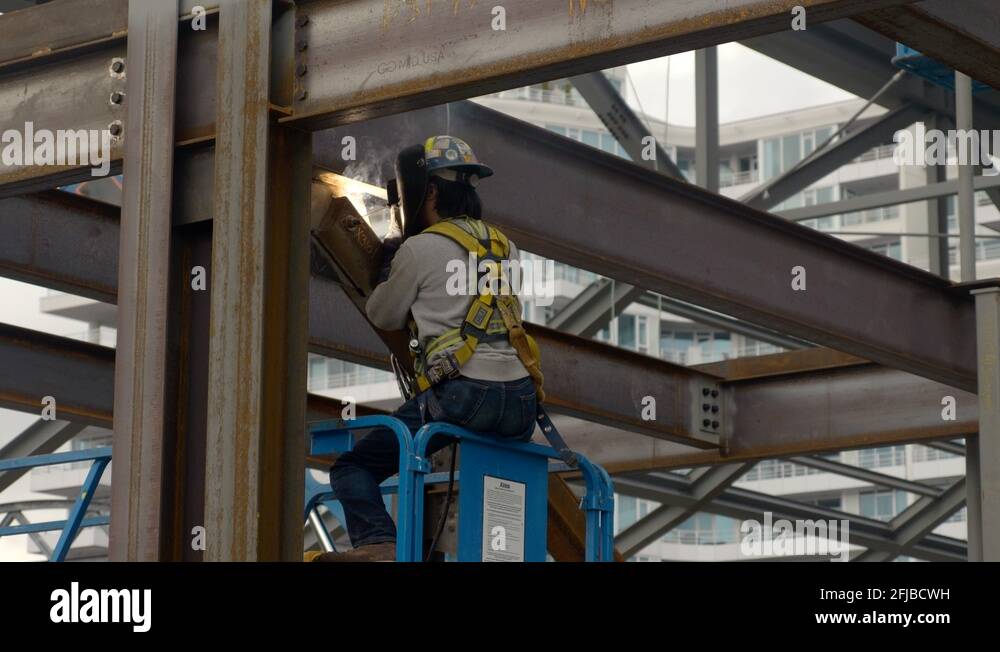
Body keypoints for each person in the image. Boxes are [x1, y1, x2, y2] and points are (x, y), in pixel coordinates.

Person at [312, 136, 538, 562]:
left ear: (428, 191)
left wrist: (391, 267)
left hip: (464, 396)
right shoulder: (506, 247)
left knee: (352, 467)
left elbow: (383, 314)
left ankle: (379, 543)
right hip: (521, 405)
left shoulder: (419, 249)